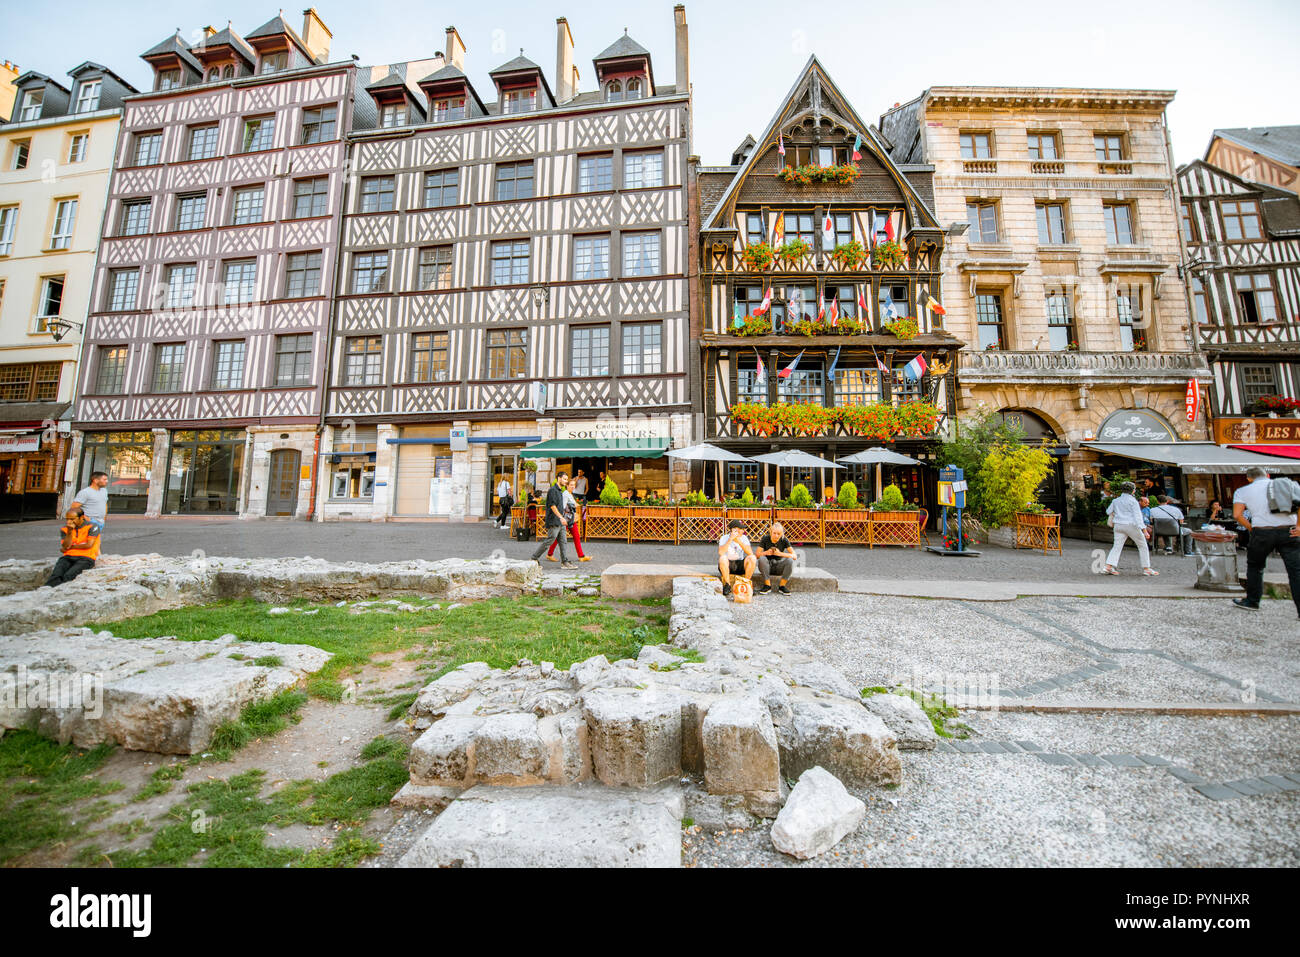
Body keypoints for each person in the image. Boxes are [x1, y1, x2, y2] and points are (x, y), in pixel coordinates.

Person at [1231, 466, 1300, 619]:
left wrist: (1251, 528)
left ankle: (1253, 601)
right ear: (1267, 475)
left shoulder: (1242, 491)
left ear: (1249, 478)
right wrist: (1299, 526)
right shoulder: (1286, 485)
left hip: (1262, 531)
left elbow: (1237, 514)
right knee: (1296, 571)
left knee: (1255, 566)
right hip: (1289, 530)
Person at [1103, 482, 1157, 576]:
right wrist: (1144, 531)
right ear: (1133, 490)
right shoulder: (1133, 501)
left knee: (1117, 546)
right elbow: (1138, 517)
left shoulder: (1116, 500)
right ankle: (1146, 568)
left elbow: (1108, 511)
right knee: (1142, 545)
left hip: (1118, 525)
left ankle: (1108, 566)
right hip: (1131, 525)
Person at [45, 506, 102, 587]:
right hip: (68, 557)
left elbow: (88, 545)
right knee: (56, 575)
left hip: (86, 558)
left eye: (72, 519)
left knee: (69, 576)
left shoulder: (92, 526)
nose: (69, 521)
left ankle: (60, 591)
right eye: (67, 519)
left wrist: (71, 547)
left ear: (81, 517)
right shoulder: (65, 529)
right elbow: (65, 545)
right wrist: (69, 532)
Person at [531, 474, 576, 568]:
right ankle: (534, 558)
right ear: (559, 478)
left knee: (563, 541)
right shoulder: (553, 490)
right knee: (550, 540)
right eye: (564, 479)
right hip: (554, 520)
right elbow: (552, 506)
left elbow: (560, 506)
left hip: (560, 520)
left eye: (567, 479)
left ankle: (565, 562)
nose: (566, 481)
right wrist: (561, 517)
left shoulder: (560, 491)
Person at [547, 475, 591, 562]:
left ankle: (581, 556)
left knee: (576, 536)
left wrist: (580, 505)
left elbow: (574, 504)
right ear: (567, 486)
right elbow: (562, 507)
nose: (573, 486)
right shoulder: (565, 494)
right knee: (556, 538)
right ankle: (549, 554)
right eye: (571, 485)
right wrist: (562, 519)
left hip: (570, 520)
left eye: (574, 485)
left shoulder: (570, 494)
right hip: (565, 520)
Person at [717, 518, 756, 600]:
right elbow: (721, 552)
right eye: (741, 529)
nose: (743, 531)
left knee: (752, 558)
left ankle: (746, 584)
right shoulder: (724, 538)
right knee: (722, 558)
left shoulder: (744, 538)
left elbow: (750, 553)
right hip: (728, 564)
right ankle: (727, 585)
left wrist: (739, 542)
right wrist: (730, 539)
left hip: (739, 563)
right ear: (734, 530)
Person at [755, 521, 797, 595]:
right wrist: (766, 552)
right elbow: (757, 555)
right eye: (774, 533)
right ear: (771, 532)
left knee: (790, 561)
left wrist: (780, 554)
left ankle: (782, 586)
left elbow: (794, 556)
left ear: (782, 534)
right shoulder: (765, 538)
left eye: (779, 534)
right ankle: (767, 585)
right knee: (762, 558)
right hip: (766, 567)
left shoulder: (784, 540)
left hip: (779, 566)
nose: (776, 536)